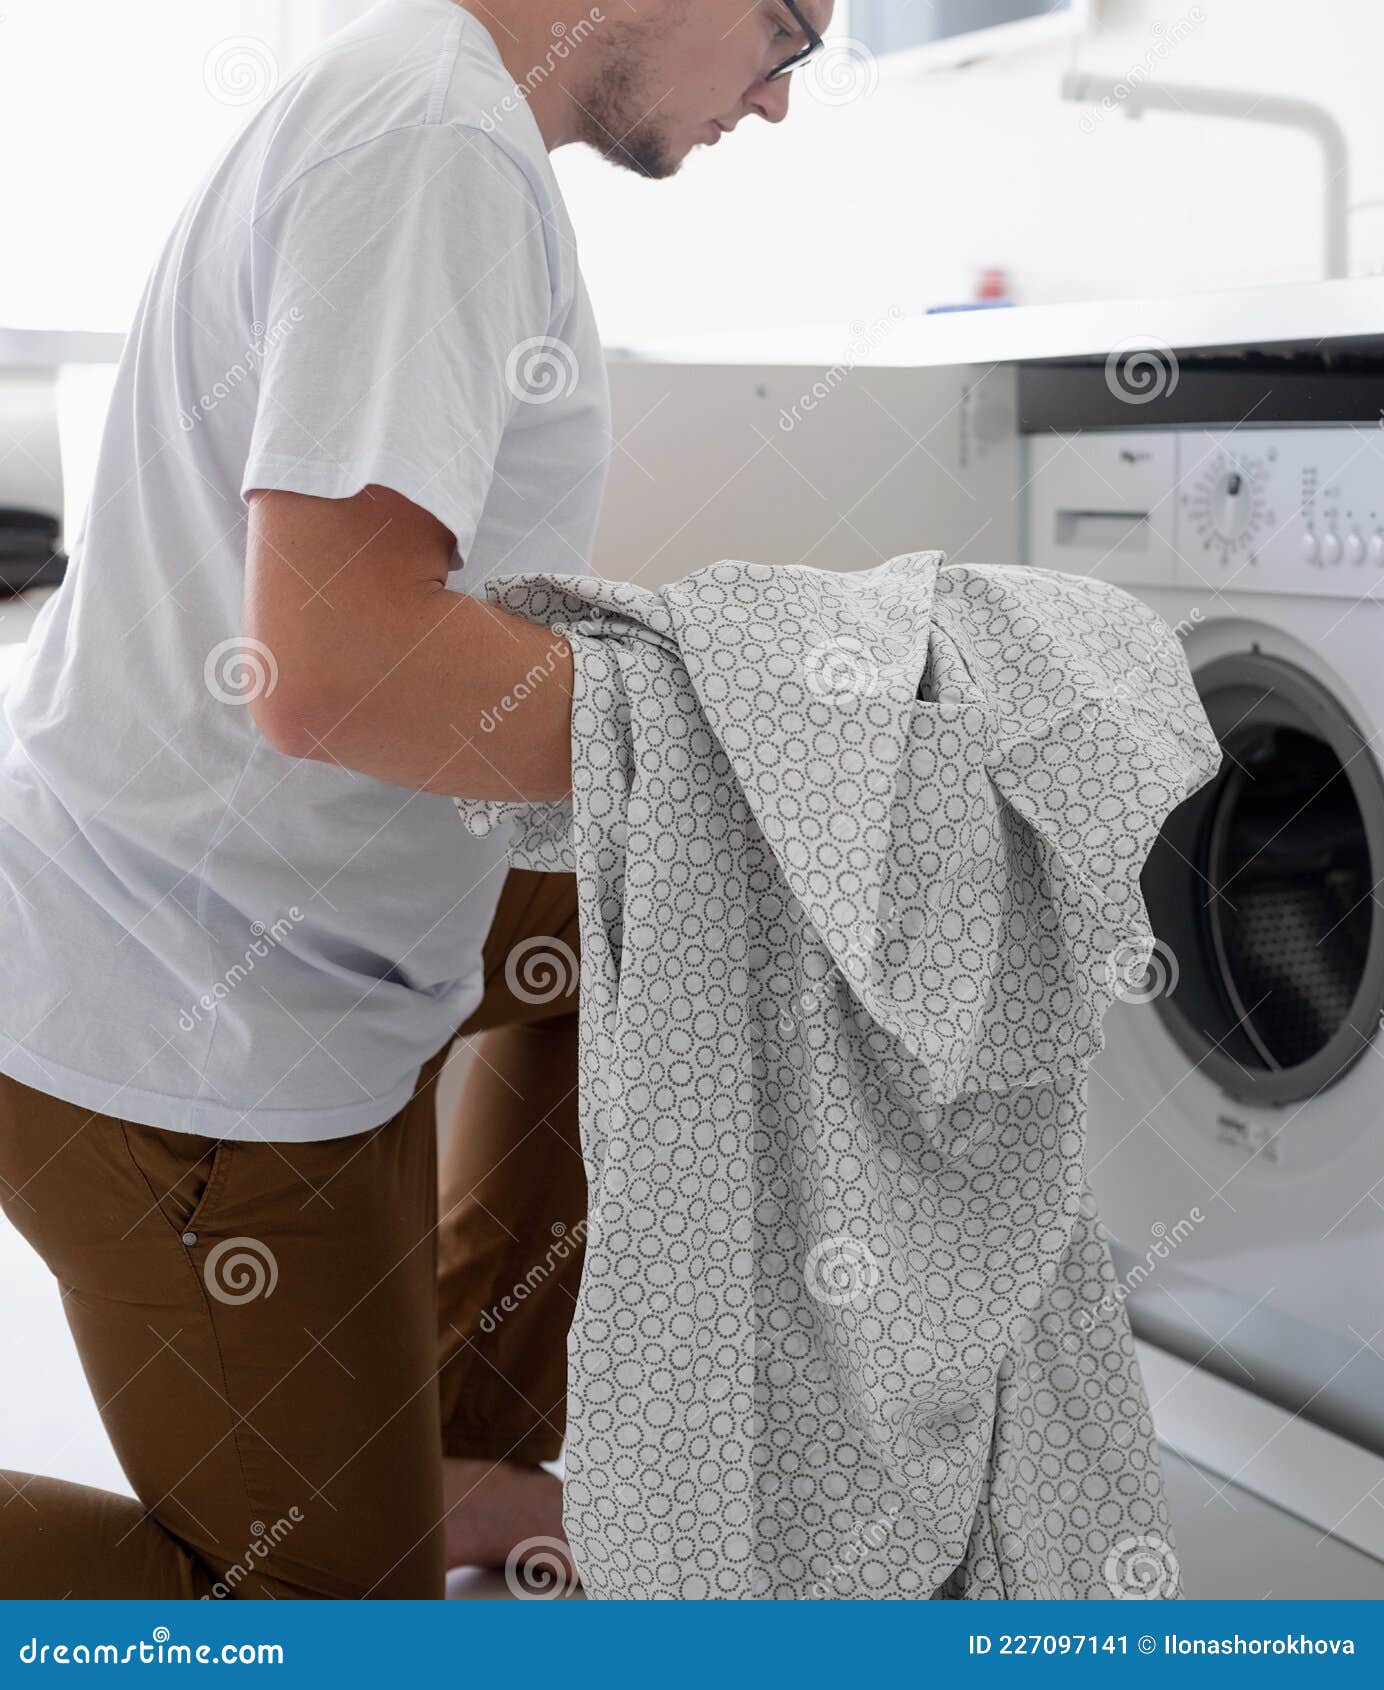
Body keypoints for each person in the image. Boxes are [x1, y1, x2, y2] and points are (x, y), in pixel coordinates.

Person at [0, 0, 831, 1598]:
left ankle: (438, 1439)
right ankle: (370, 1521)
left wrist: (721, 778)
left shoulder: (433, 113)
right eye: (790, 31)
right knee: (330, 1627)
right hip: (184, 1013)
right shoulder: (433, 142)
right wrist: (755, 737)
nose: (779, 101)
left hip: (252, 886)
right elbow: (338, 667)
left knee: (704, 906)